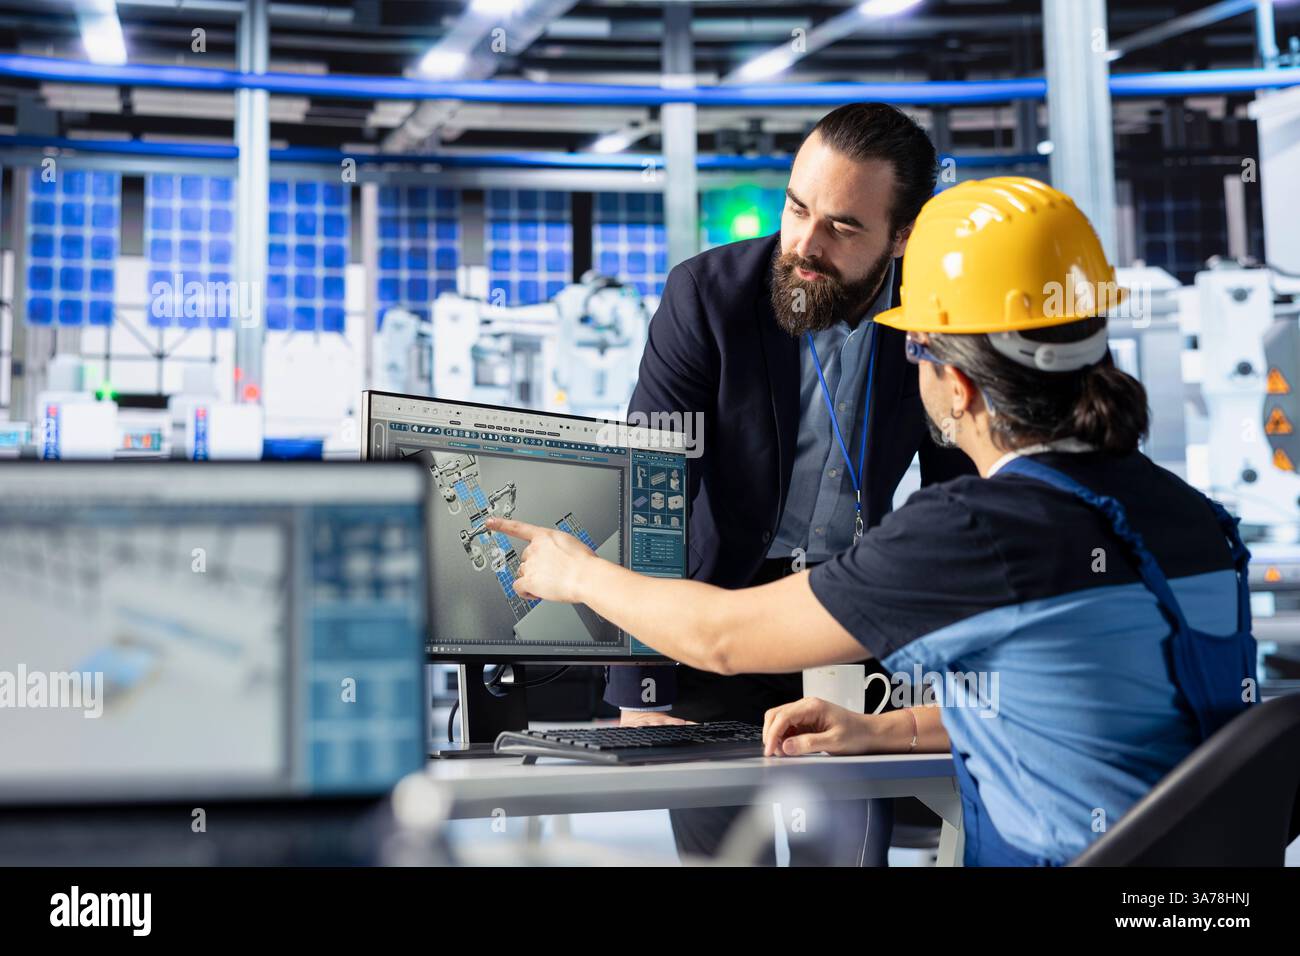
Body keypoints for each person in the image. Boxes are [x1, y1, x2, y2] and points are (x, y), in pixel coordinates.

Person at [488, 177, 1256, 866]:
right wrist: (886, 731)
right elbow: (1079, 704)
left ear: (955, 384)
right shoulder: (1193, 519)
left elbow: (720, 638)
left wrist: (575, 571)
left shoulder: (977, 530)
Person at [608, 102, 972, 864]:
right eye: (797, 206)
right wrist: (644, 685)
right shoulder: (708, 298)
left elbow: (960, 498)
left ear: (902, 237)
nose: (804, 243)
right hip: (715, 618)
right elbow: (651, 490)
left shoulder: (939, 318)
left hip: (847, 615)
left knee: (840, 858)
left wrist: (960, 675)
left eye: (842, 227)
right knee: (725, 858)